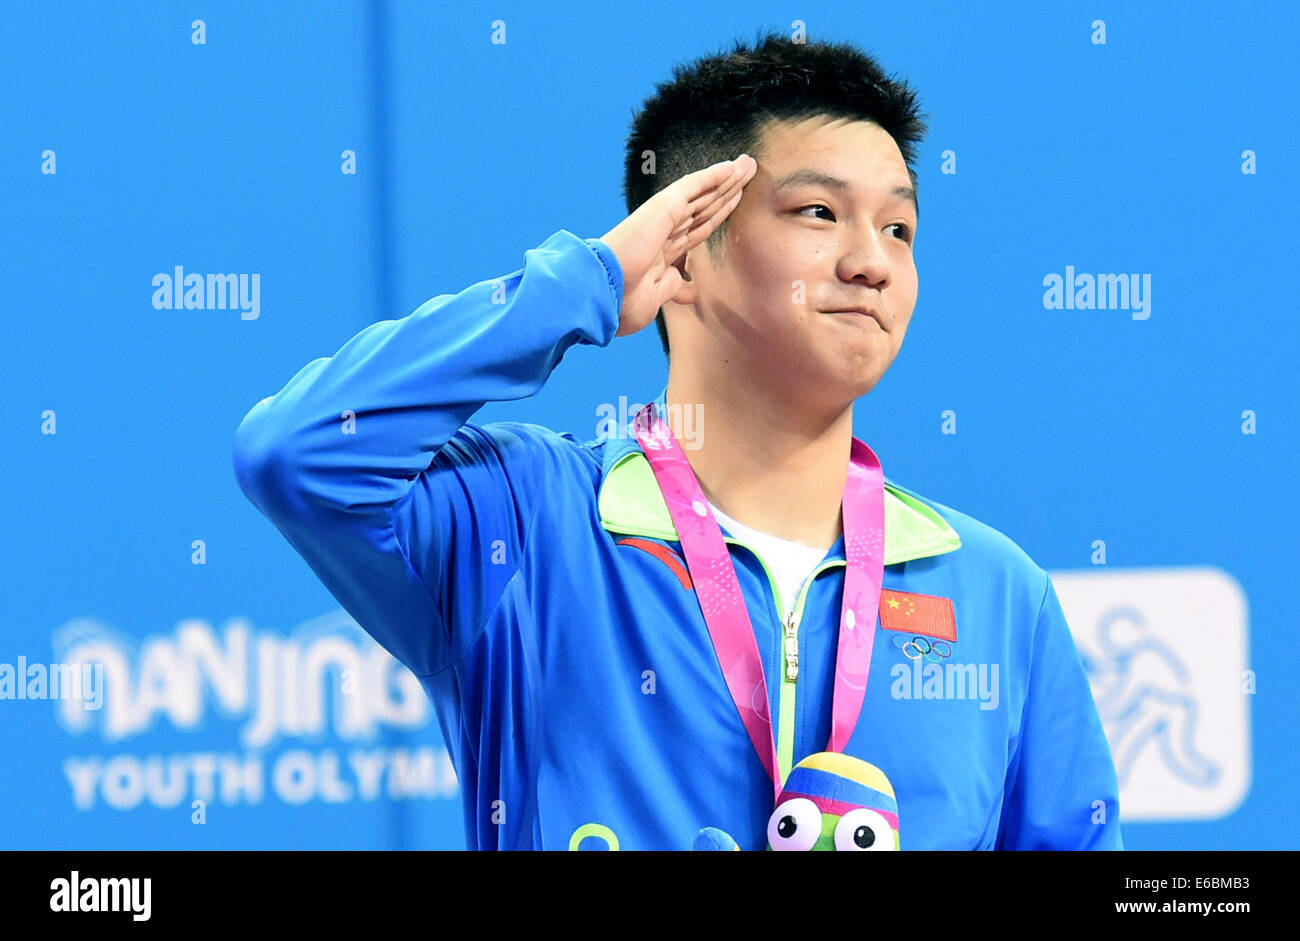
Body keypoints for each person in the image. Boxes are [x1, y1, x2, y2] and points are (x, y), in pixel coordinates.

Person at [232, 30, 1123, 850]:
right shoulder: (526, 523)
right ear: (686, 250)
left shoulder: (997, 591)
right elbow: (301, 452)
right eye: (819, 213)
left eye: (899, 227)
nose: (873, 260)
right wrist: (586, 284)